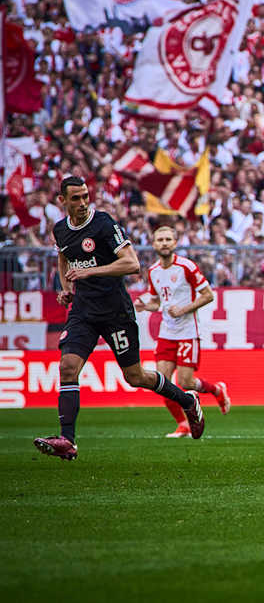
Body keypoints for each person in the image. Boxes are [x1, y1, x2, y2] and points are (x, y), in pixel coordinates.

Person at [36, 177, 205, 460]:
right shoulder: (61, 230)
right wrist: (66, 289)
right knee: (67, 368)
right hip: (84, 312)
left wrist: (89, 272)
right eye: (75, 198)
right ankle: (67, 440)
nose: (82, 203)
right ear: (62, 201)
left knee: (135, 376)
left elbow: (132, 263)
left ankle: (188, 400)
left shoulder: (103, 223)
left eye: (85, 196)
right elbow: (64, 258)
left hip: (115, 312)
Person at [135, 226, 232, 437]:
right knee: (162, 382)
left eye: (168, 239)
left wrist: (183, 310)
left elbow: (208, 295)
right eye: (160, 239)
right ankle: (184, 424)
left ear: (175, 243)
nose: (164, 243)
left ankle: (217, 390)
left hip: (188, 330)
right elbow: (156, 301)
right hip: (166, 333)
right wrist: (143, 305)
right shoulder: (153, 271)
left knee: (186, 382)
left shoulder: (186, 267)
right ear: (153, 244)